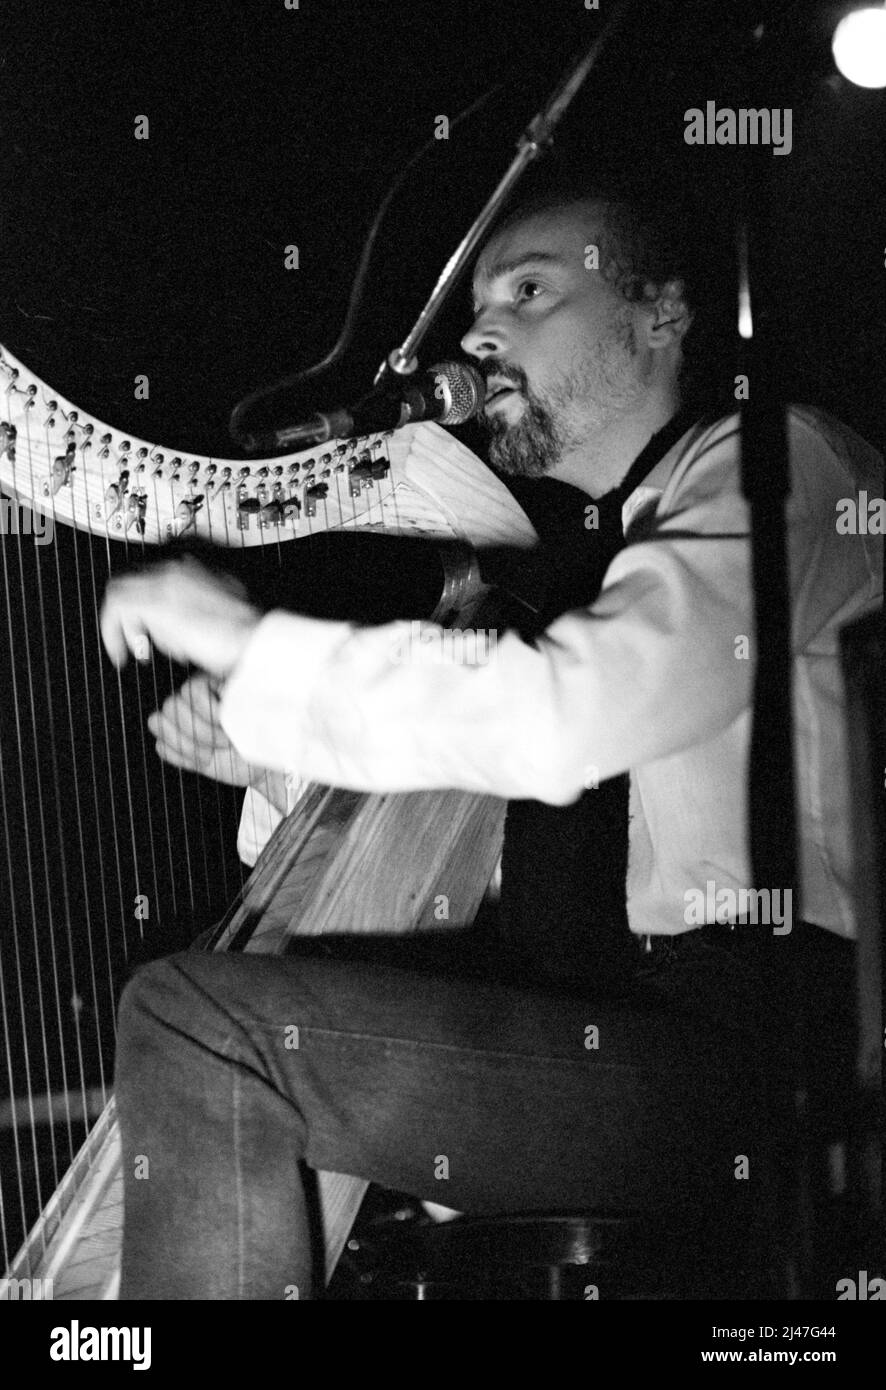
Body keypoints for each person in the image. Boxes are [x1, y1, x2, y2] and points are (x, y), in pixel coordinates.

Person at [100, 187, 882, 1299]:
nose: (477, 336)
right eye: (475, 309)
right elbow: (504, 823)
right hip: (632, 1037)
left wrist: (252, 642)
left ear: (660, 314)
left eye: (529, 290)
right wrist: (275, 754)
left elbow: (562, 718)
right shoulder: (595, 564)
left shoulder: (780, 467)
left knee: (204, 1021)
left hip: (776, 1064)